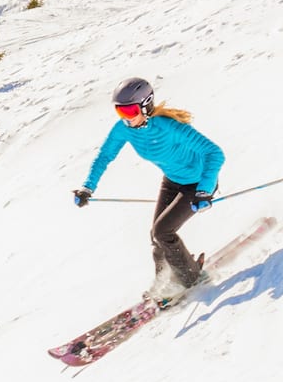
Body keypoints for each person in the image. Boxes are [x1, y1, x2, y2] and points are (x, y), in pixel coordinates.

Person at [71, 77, 226, 304]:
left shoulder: (169, 127)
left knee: (164, 231)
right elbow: (105, 156)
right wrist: (87, 187)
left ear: (146, 105)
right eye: (120, 112)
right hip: (172, 181)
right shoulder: (124, 129)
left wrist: (204, 190)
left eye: (131, 111)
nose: (126, 118)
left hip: (197, 183)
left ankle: (191, 278)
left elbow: (215, 153)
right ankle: (165, 281)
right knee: (156, 236)